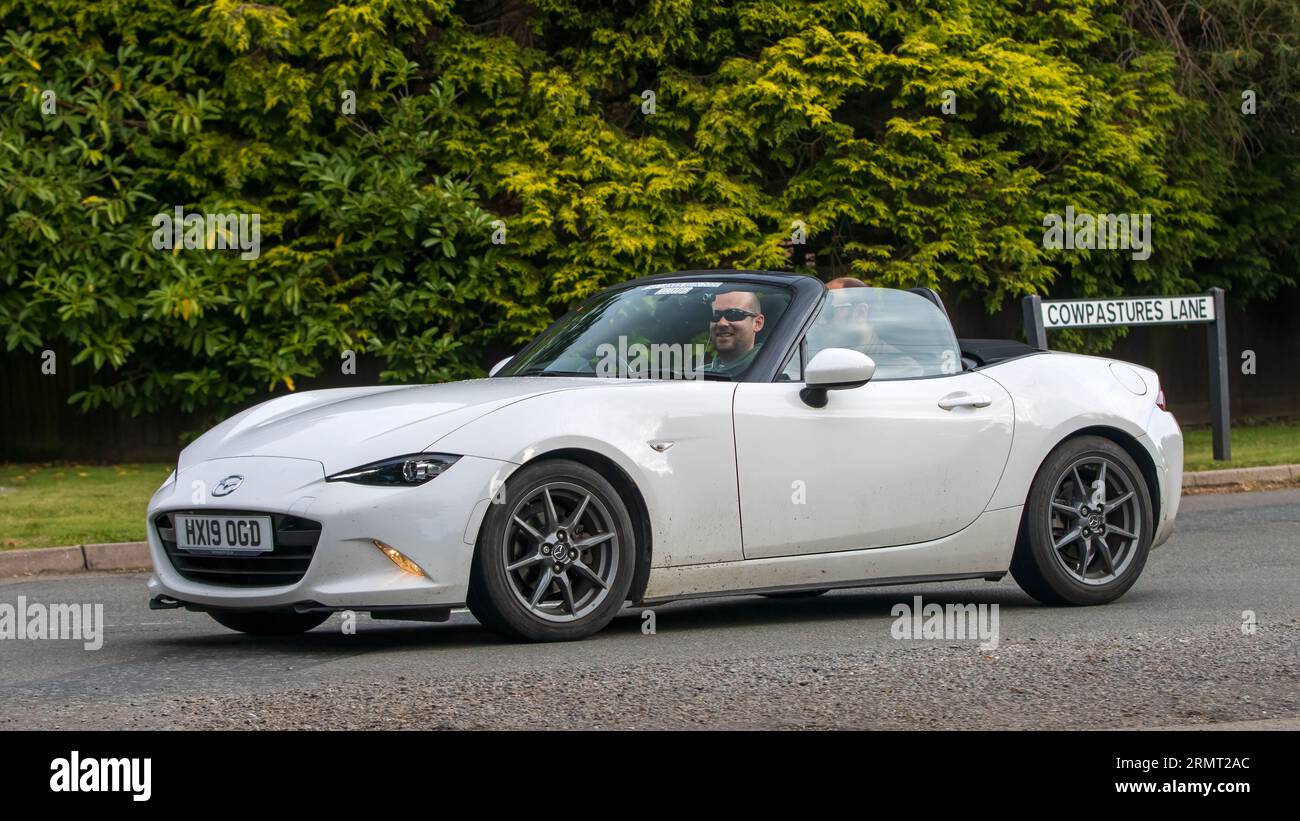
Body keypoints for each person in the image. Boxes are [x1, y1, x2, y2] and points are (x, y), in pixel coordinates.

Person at [705, 288, 765, 376]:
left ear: (757, 323)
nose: (722, 323)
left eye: (734, 314)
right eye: (715, 315)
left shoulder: (776, 375)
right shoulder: (695, 375)